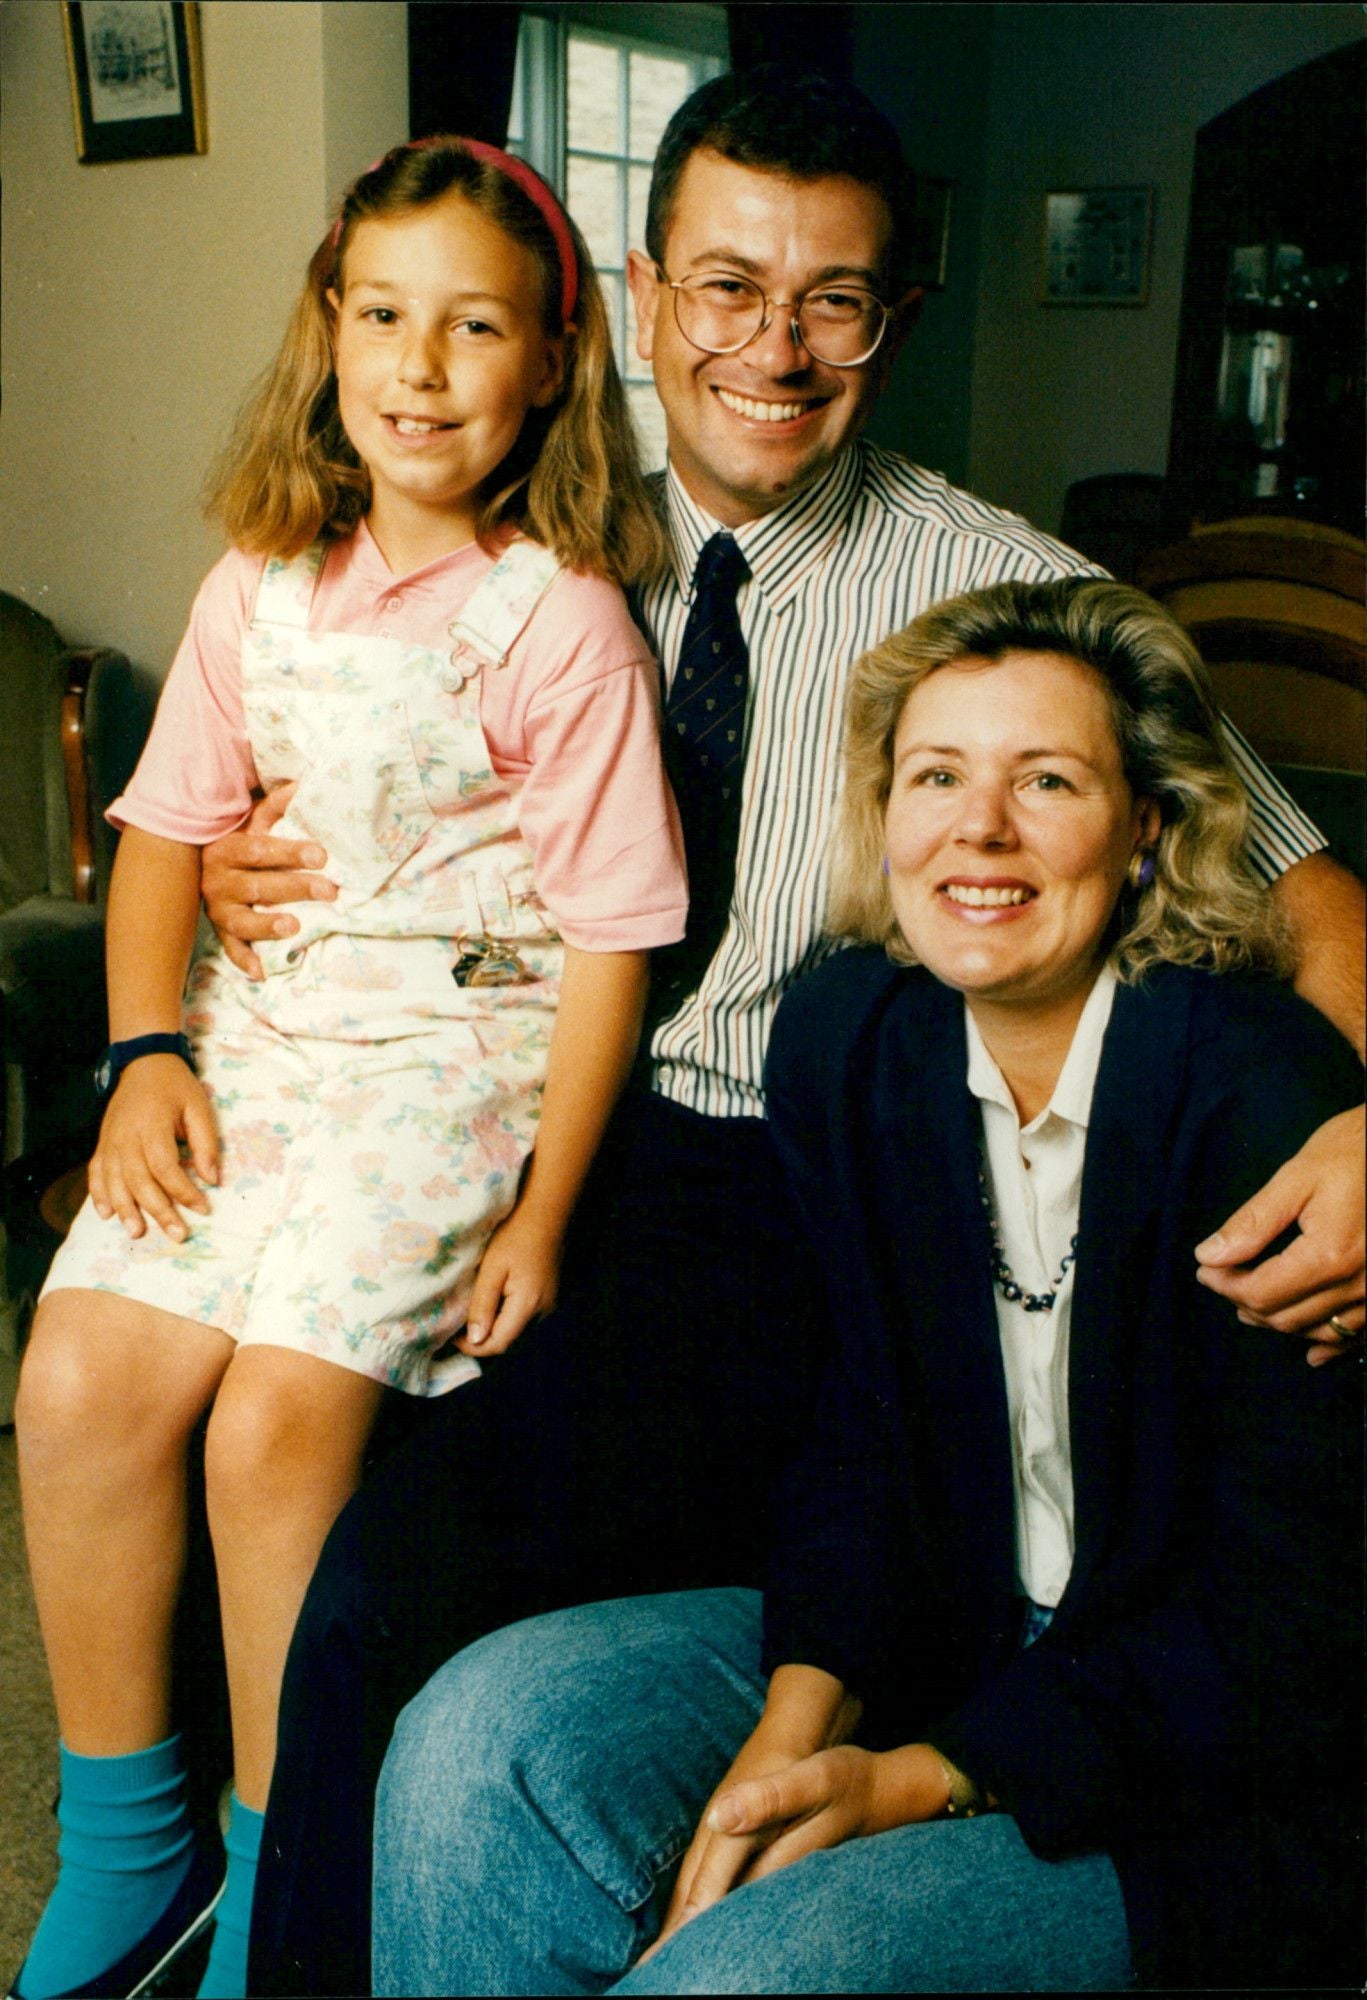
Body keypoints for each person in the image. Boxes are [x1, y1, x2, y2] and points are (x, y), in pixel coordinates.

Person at [213, 70, 1365, 1995]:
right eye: (729, 285)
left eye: (834, 299)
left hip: (776, 1171)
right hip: (482, 1108)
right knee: (208, 1401)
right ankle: (233, 1879)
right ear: (644, 292)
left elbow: (1313, 896)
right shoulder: (518, 539)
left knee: (399, 1587)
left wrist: (1362, 1133)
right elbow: (308, 750)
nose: (773, 345)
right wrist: (252, 866)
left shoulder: (1007, 593)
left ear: (892, 326)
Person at [372, 576, 1364, 1995]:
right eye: (938, 775)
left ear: (1147, 830)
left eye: (1050, 781)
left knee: (750, 1972)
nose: (981, 828)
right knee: (484, 1741)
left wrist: (917, 1779)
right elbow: (858, 1439)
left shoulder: (1266, 1104)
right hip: (941, 1638)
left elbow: (1299, 1625)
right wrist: (800, 1718)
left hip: (1208, 1768)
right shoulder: (855, 1038)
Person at [11, 137, 685, 2000]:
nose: (419, 364)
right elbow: (164, 838)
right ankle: (128, 1849)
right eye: (381, 316)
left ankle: (266, 1865)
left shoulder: (561, 620)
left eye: (474, 328)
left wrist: (547, 1208)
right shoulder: (259, 583)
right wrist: (147, 1048)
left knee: (272, 1424)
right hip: (258, 1039)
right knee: (74, 1379)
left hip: (454, 1066)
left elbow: (617, 938)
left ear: (548, 363)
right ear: (327, 332)